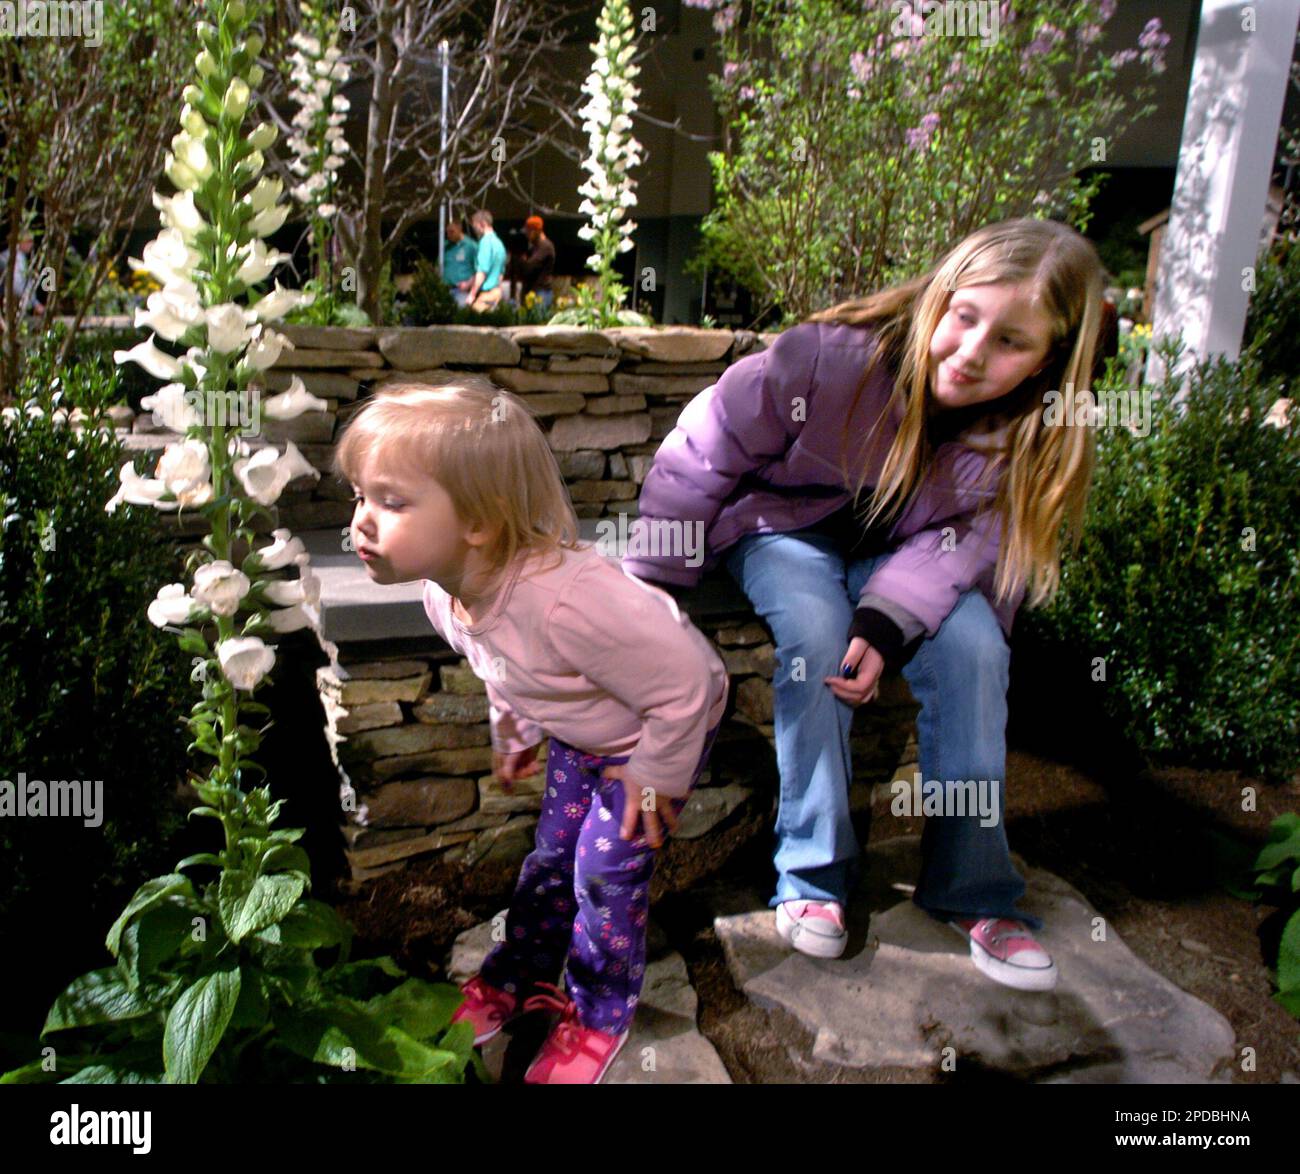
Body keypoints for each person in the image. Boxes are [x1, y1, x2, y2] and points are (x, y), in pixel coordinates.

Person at [621, 218, 1108, 992]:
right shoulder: (830, 356)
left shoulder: (1029, 431)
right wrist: (654, 583)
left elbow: (969, 540)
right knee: (816, 637)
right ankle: (812, 875)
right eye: (965, 316)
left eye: (1012, 342)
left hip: (915, 558)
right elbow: (703, 453)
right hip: (782, 527)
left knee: (978, 649)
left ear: (1051, 357)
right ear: (938, 299)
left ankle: (974, 887)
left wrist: (886, 620)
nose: (974, 351)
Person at [334, 376, 729, 1083]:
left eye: (391, 502)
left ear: (478, 522)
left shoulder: (566, 600)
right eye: (361, 495)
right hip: (588, 732)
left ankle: (597, 1013)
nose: (361, 520)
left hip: (656, 731)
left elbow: (689, 685)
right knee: (551, 859)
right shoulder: (445, 595)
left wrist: (654, 779)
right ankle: (519, 973)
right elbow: (504, 668)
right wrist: (513, 730)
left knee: (605, 872)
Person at [464, 209, 506, 313]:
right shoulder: (499, 243)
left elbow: (482, 272)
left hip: (485, 295)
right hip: (496, 293)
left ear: (482, 224)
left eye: (475, 226)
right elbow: (501, 274)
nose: (475, 230)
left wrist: (472, 294)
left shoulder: (485, 243)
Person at [517, 215, 555, 310]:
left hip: (541, 293)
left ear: (535, 231)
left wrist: (522, 260)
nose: (526, 235)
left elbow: (529, 267)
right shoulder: (533, 247)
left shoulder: (545, 247)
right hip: (531, 292)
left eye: (528, 232)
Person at [442, 217, 478, 308]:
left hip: (462, 291)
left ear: (459, 229)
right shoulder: (445, 246)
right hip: (446, 289)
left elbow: (479, 269)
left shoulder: (471, 246)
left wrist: (469, 284)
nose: (449, 235)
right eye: (447, 232)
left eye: (452, 232)